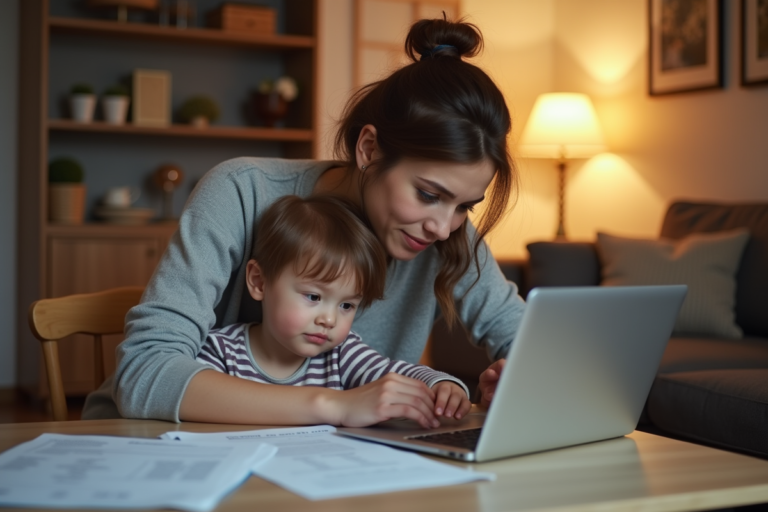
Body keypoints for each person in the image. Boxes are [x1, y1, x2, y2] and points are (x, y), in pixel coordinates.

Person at [82, 16, 526, 425]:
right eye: (429, 194)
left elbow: (529, 342)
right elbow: (145, 376)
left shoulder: (445, 237)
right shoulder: (241, 190)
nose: (444, 226)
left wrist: (517, 377)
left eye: (465, 206)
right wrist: (334, 405)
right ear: (369, 150)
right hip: (144, 444)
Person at [195, 195, 472, 428]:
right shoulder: (220, 352)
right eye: (313, 296)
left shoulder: (342, 355)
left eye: (347, 305)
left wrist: (442, 385)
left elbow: (395, 375)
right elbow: (191, 402)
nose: (329, 319)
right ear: (259, 281)